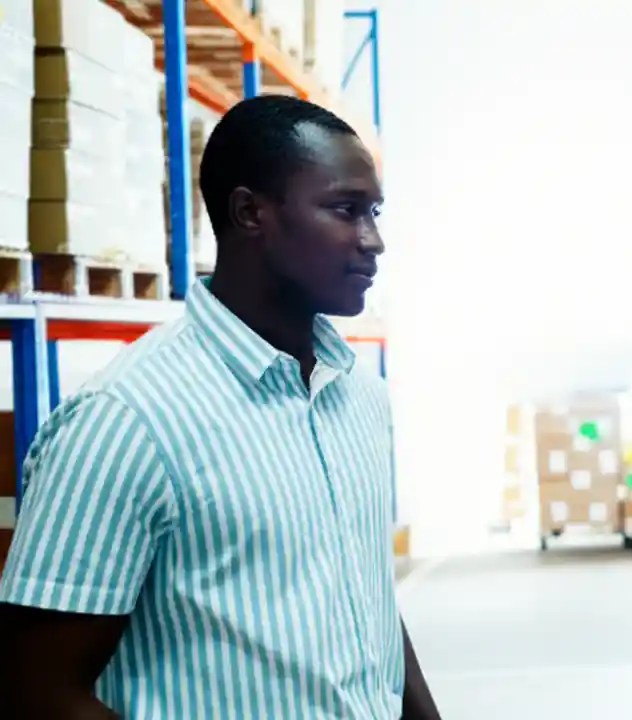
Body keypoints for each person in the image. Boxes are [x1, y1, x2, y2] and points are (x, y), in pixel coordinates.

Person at [0, 96, 442, 719]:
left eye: (373, 212)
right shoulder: (125, 421)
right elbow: (35, 689)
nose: (373, 240)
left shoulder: (358, 398)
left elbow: (365, 605)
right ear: (249, 213)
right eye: (346, 210)